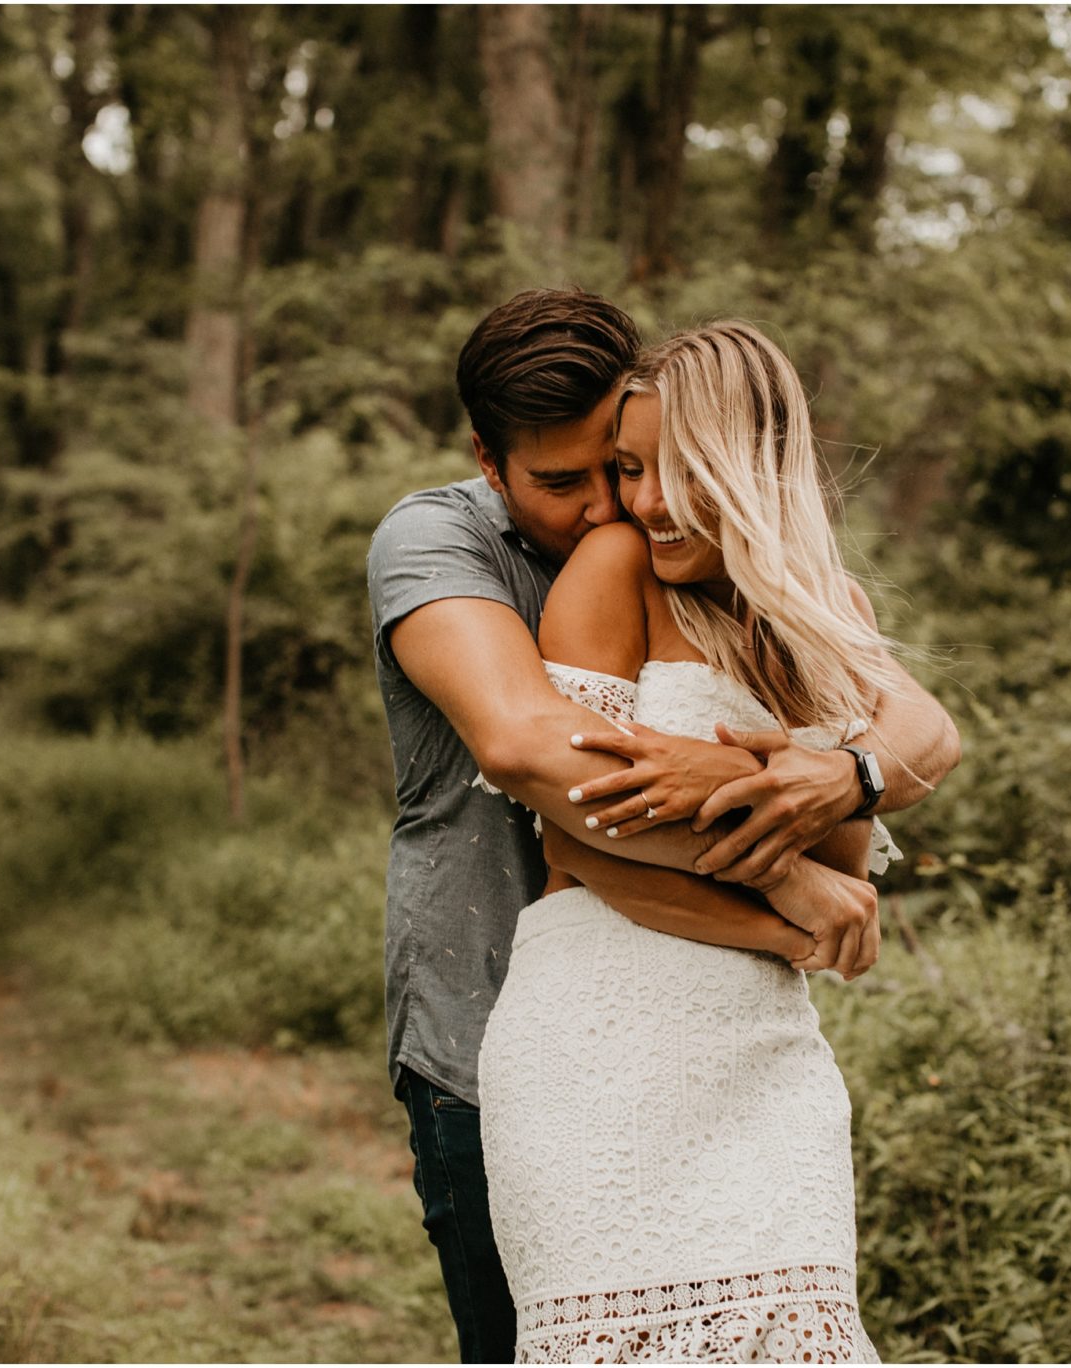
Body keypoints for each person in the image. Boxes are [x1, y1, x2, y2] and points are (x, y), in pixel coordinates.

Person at [367, 291, 959, 1362]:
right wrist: (785, 882)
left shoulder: (780, 590)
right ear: (489, 460)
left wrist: (837, 772)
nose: (617, 506)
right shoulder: (439, 541)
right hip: (500, 1007)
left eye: (632, 463)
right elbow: (537, 764)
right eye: (572, 480)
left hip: (750, 1040)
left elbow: (916, 734)